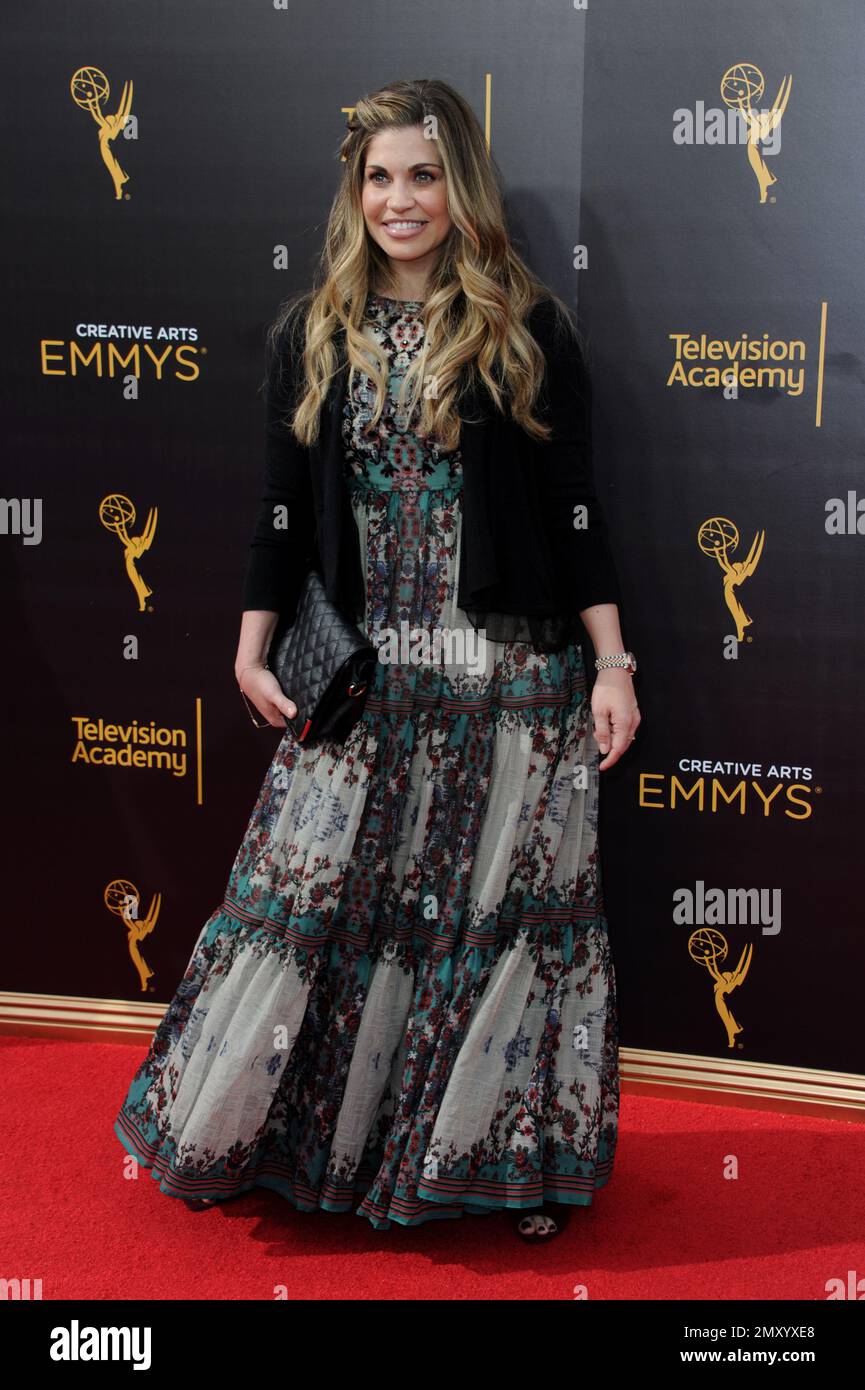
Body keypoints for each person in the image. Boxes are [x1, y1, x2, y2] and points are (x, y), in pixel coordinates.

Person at [113, 77, 640, 1244]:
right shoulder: (314, 330)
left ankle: (490, 1158)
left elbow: (575, 511)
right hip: (368, 676)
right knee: (321, 914)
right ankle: (315, 1148)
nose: (399, 199)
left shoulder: (524, 326)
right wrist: (252, 649)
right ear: (355, 192)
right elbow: (278, 513)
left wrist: (614, 667)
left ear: (462, 187)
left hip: (507, 680)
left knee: (489, 923)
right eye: (379, 177)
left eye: (424, 174)